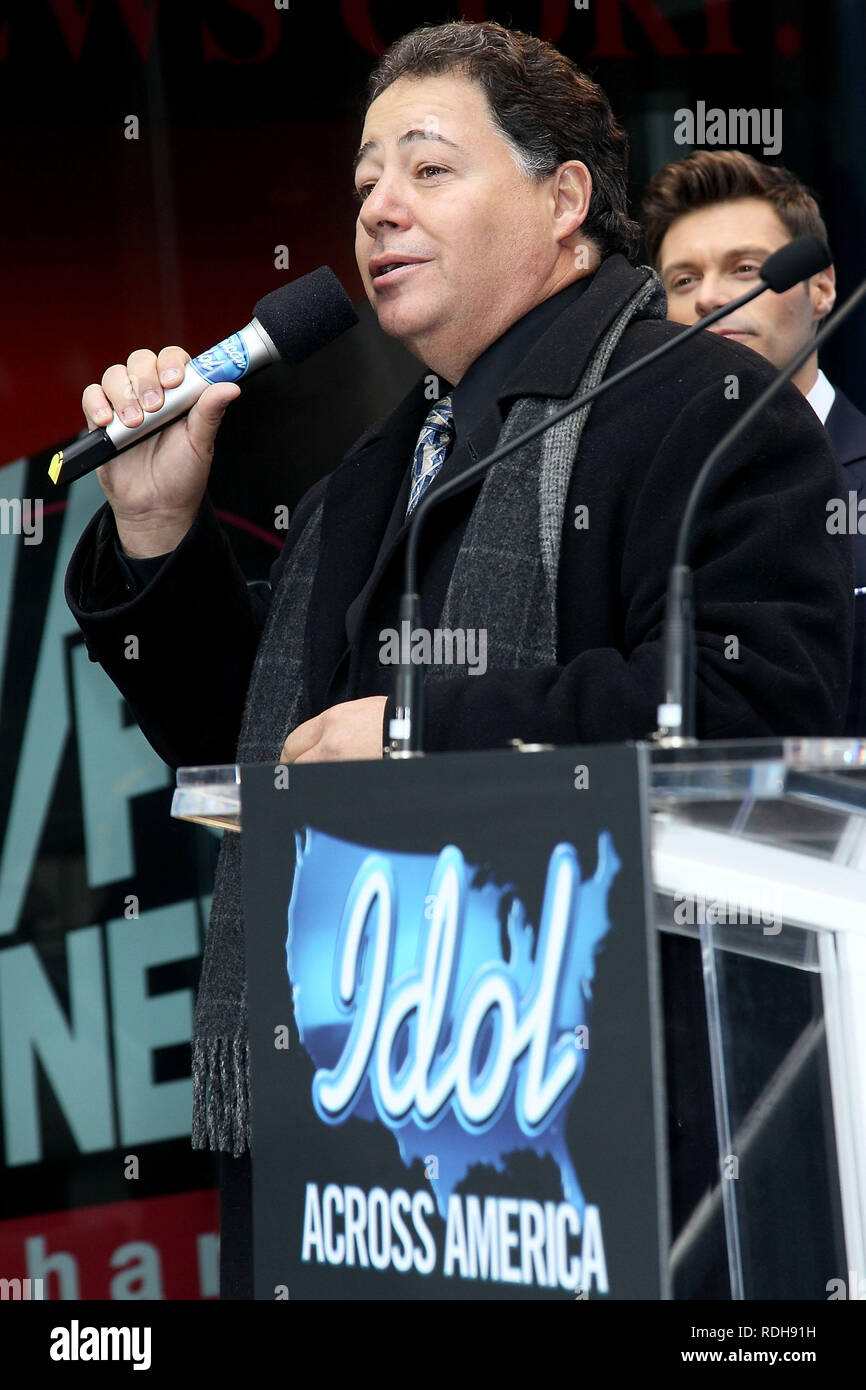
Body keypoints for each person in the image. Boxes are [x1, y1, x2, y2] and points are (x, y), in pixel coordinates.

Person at [65, 21, 853, 1296]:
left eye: (427, 168)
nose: (378, 204)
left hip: (607, 1142)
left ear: (562, 199)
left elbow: (751, 700)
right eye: (366, 177)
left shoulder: (704, 412)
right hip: (361, 1154)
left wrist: (425, 731)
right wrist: (157, 533)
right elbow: (249, 752)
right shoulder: (369, 475)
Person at [640, 148, 866, 731]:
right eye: (683, 279)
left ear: (821, 289)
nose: (711, 298)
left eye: (746, 269)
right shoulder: (641, 498)